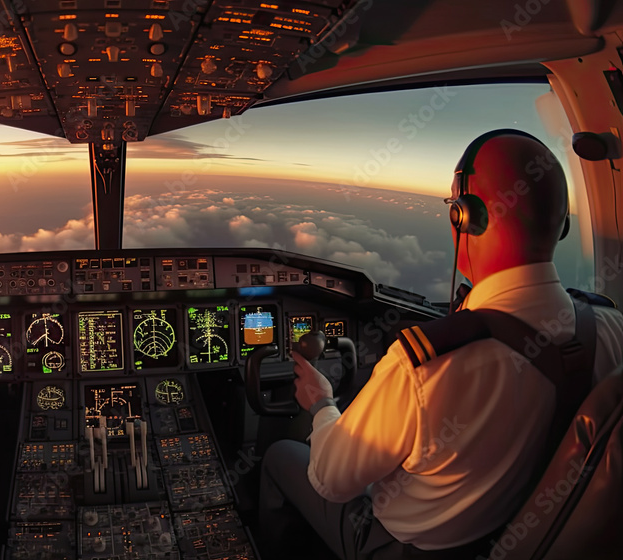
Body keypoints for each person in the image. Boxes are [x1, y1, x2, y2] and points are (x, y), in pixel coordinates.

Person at [259, 130, 623, 559]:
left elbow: (331, 481)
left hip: (403, 546)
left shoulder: (425, 366)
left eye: (454, 208)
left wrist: (322, 406)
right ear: (561, 226)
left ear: (465, 219)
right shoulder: (612, 328)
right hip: (508, 537)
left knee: (280, 456)